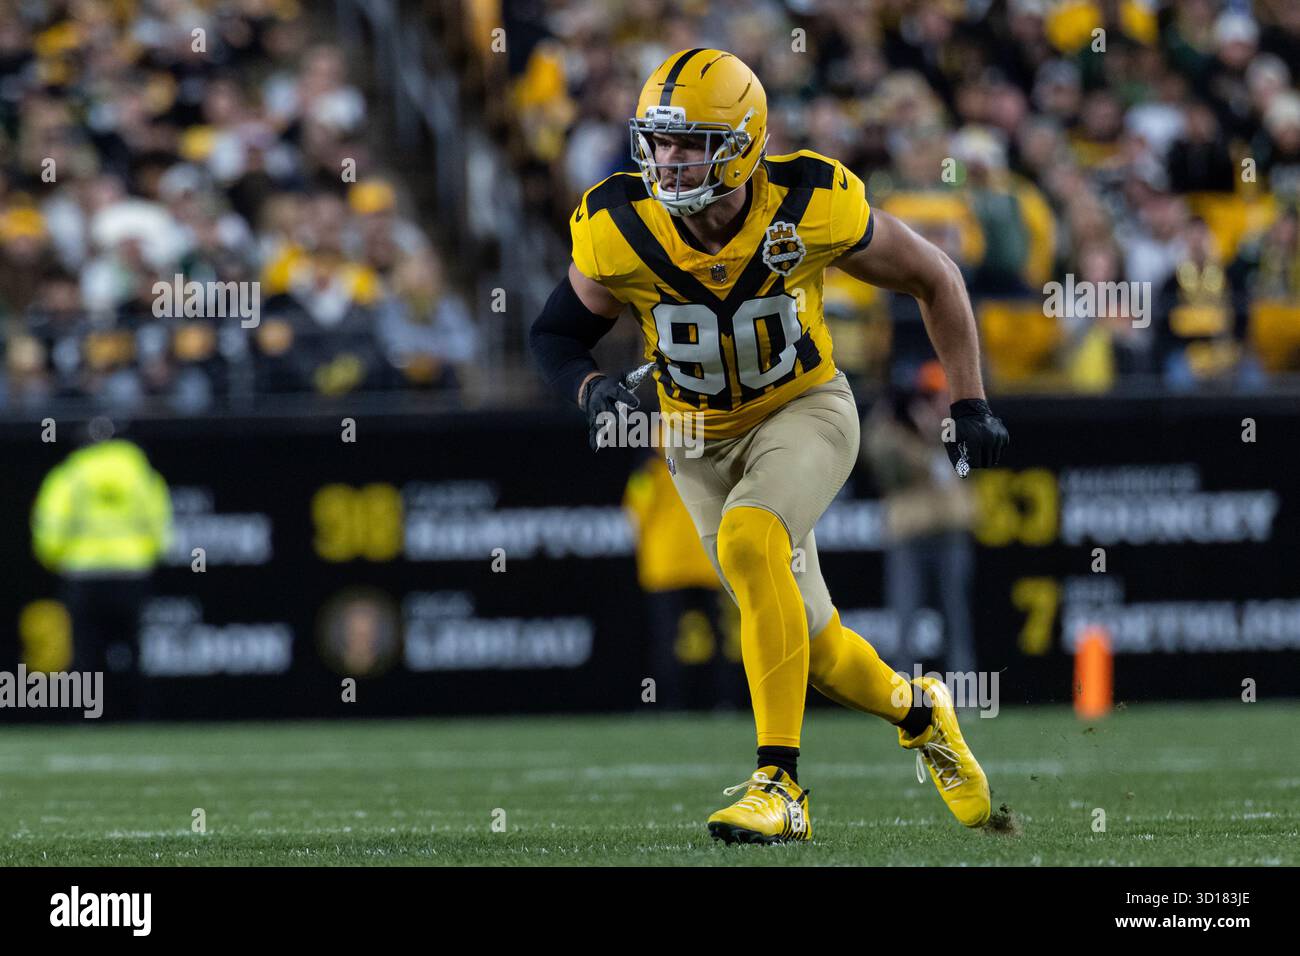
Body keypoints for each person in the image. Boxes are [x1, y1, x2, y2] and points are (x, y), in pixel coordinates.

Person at [529, 49, 1008, 843]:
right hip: (693, 440)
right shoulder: (620, 225)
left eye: (691, 143)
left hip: (803, 412)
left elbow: (935, 277)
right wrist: (590, 389)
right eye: (659, 141)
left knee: (755, 542)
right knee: (811, 648)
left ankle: (780, 786)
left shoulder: (809, 202)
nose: (668, 161)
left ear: (745, 143)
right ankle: (920, 712)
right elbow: (555, 333)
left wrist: (969, 400)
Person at [30, 418, 172, 719]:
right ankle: (139, 717)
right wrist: (144, 557)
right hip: (131, 574)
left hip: (83, 575)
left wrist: (56, 559)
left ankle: (90, 717)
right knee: (133, 650)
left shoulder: (71, 475)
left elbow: (50, 526)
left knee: (86, 652)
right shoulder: (140, 474)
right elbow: (160, 528)